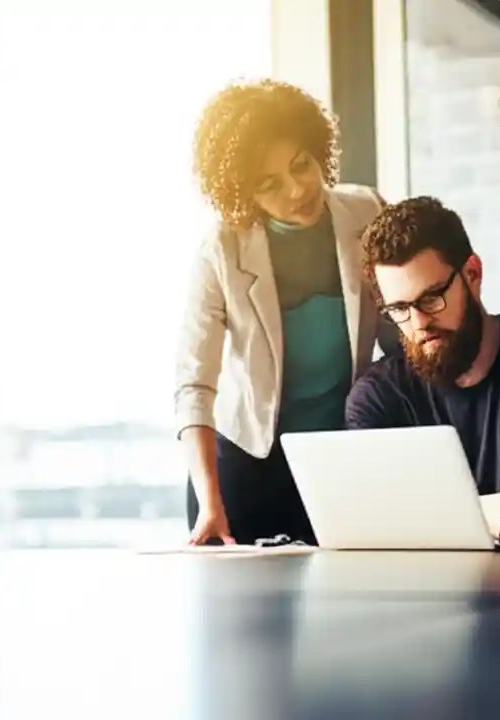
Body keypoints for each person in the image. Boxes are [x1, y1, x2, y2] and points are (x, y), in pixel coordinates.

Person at [175, 79, 385, 545]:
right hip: (243, 468)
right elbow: (194, 385)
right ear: (241, 192)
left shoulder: (367, 211)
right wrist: (211, 502)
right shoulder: (221, 249)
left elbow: (405, 341)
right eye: (269, 185)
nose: (297, 190)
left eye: (301, 165)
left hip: (338, 461)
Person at [346, 197, 500, 538]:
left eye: (431, 297)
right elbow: (378, 521)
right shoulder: (377, 397)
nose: (419, 322)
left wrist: (428, 518)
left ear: (472, 274)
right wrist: (488, 512)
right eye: (399, 309)